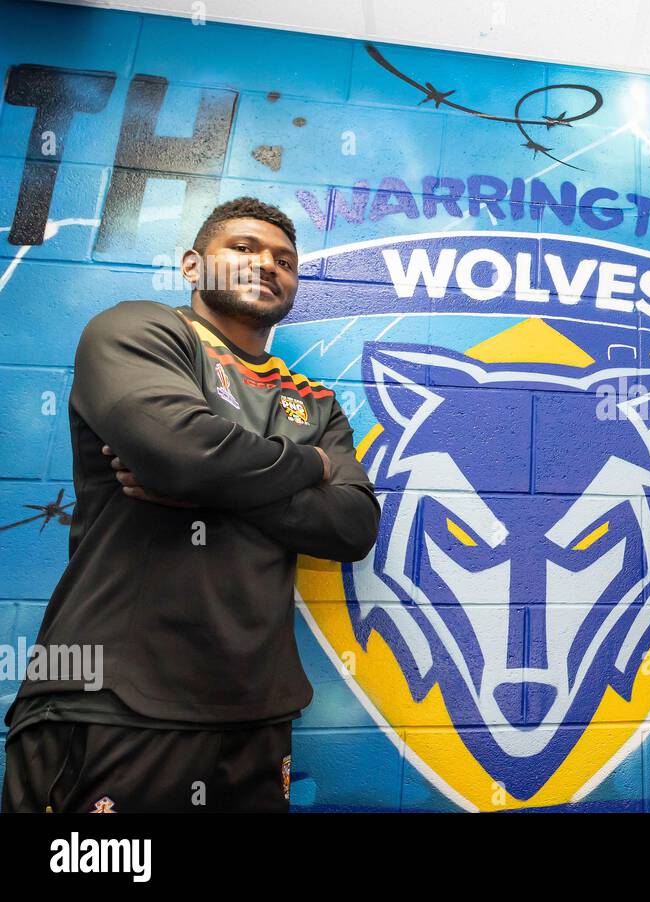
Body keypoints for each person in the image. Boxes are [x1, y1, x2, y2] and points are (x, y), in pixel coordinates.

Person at [2, 197, 379, 813]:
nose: (266, 264)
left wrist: (205, 481)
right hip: (115, 700)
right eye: (244, 248)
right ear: (192, 265)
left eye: (284, 259)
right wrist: (307, 466)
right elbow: (177, 452)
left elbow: (352, 526)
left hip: (258, 714)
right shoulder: (139, 330)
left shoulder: (313, 402)